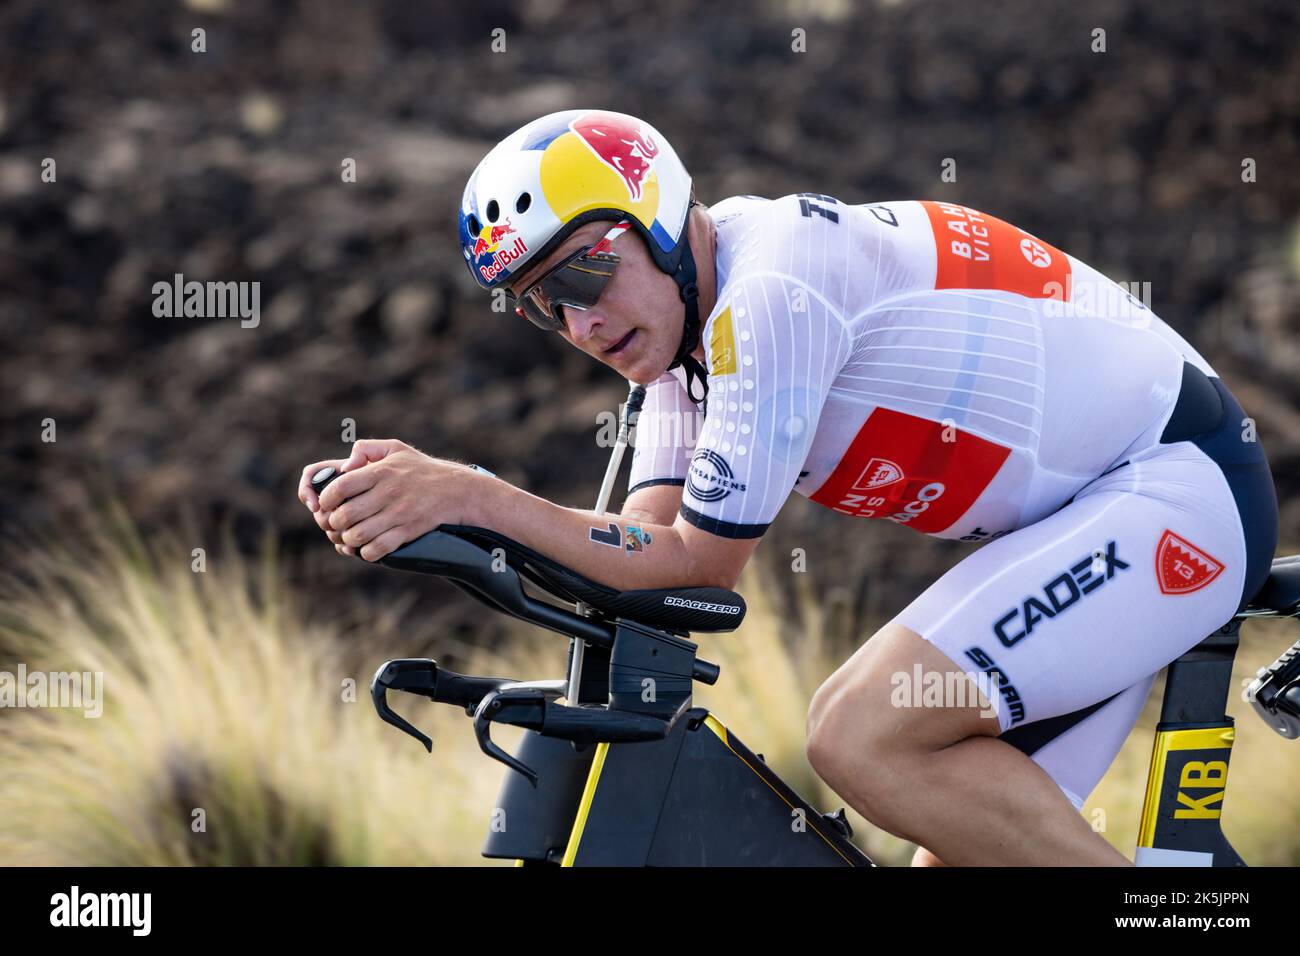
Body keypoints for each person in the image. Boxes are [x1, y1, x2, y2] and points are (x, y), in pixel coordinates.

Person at [298, 108, 1278, 866]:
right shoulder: (680, 352)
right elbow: (646, 559)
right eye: (542, 307)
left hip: (1175, 486)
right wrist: (447, 523)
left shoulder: (771, 294)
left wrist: (470, 493)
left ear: (661, 221)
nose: (581, 325)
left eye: (587, 276)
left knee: (858, 734)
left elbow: (700, 563)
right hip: (1092, 512)